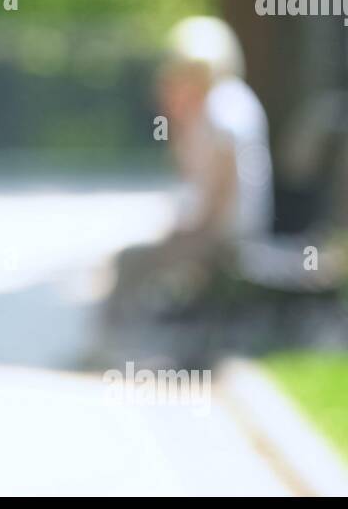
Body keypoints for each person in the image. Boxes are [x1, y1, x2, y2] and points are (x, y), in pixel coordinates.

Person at [98, 17, 273, 342]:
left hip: (228, 237)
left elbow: (222, 186)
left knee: (131, 262)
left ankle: (109, 346)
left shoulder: (224, 108)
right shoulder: (220, 105)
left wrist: (192, 233)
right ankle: (123, 342)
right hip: (225, 230)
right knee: (139, 260)